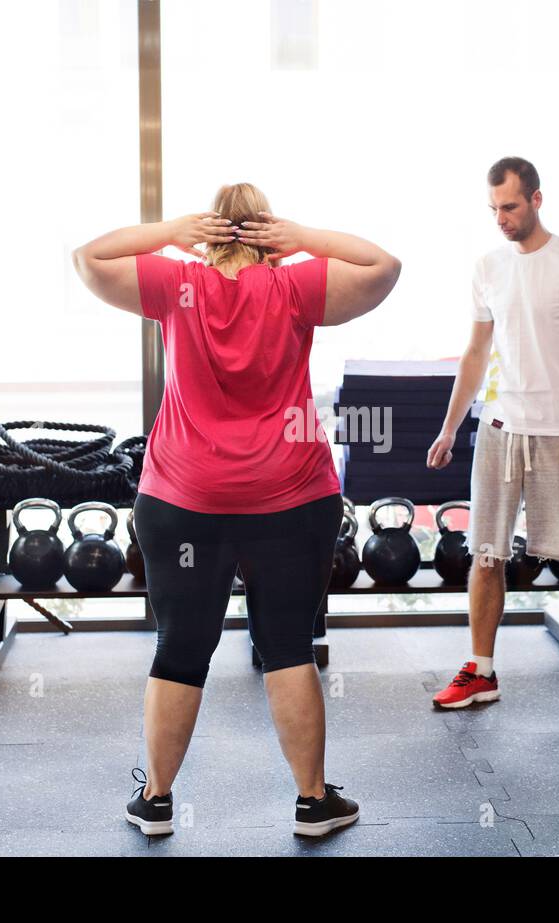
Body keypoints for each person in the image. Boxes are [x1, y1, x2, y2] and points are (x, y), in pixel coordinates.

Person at [73, 183, 401, 836]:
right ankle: (312, 801)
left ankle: (159, 801)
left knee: (180, 648)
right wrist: (302, 238)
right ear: (266, 235)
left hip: (183, 499)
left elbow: (88, 258)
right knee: (287, 648)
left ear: (212, 233)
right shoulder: (294, 288)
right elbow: (384, 267)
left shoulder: (176, 285)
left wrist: (170, 230)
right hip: (290, 500)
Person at [426, 157, 559, 719]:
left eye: (509, 207)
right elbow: (475, 353)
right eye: (493, 209)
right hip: (498, 428)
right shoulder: (488, 266)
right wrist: (448, 427)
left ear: (537, 200)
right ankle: (481, 672)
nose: (501, 219)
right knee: (485, 554)